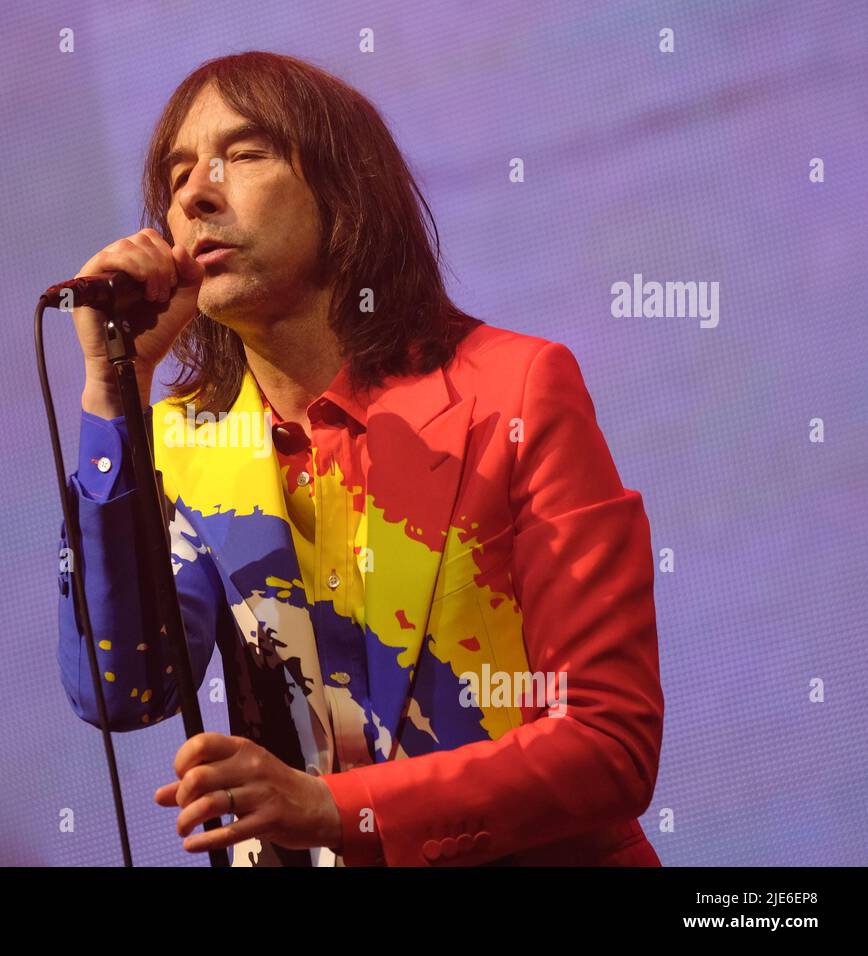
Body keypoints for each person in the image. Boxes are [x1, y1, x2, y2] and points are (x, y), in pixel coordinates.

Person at [55, 51, 663, 867]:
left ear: (344, 194)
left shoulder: (513, 393)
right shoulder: (184, 443)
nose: (195, 193)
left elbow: (607, 742)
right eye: (178, 172)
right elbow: (120, 690)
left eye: (244, 154)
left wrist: (337, 810)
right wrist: (113, 390)